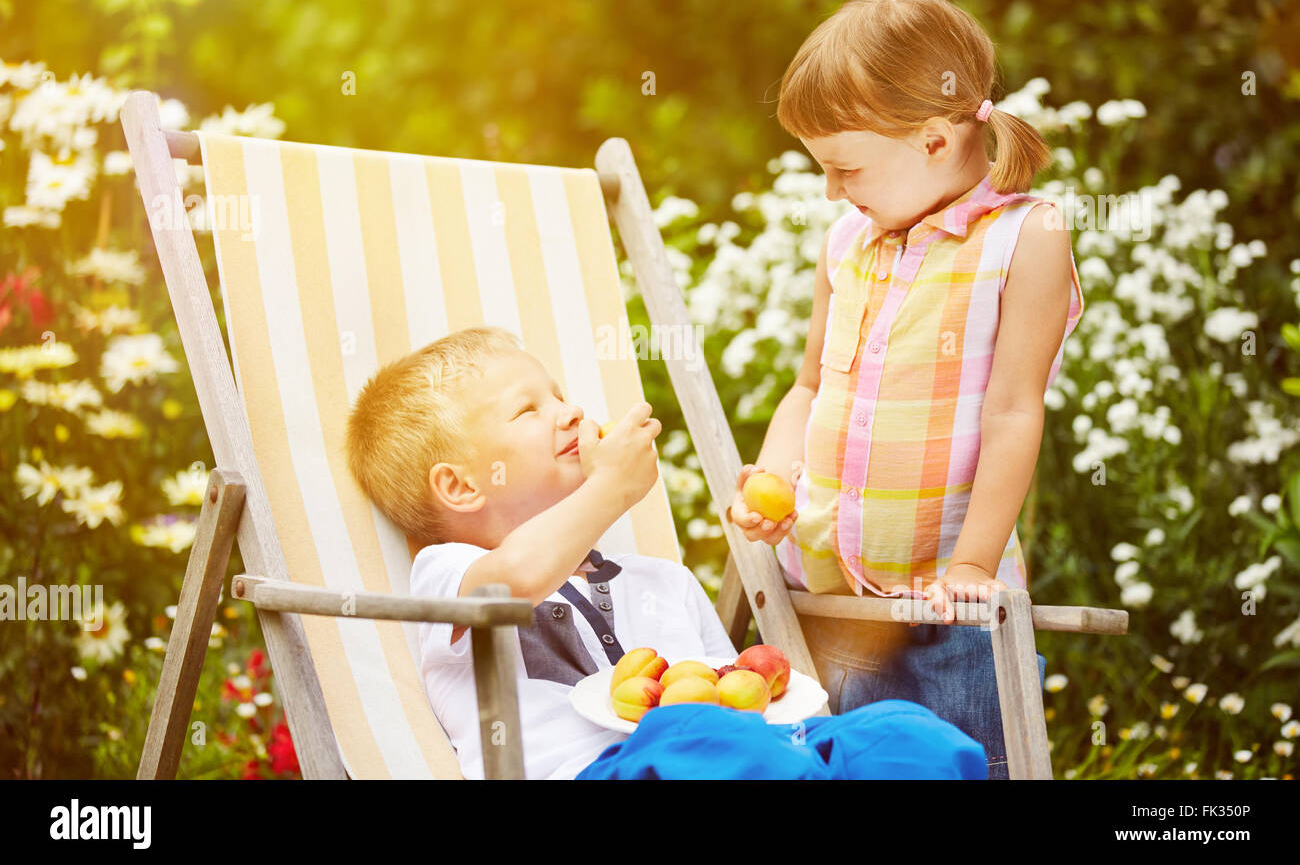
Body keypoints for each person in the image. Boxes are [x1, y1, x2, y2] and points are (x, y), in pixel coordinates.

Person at [344, 325, 988, 779]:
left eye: (563, 395)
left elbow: (730, 690)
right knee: (701, 740)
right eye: (528, 411)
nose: (570, 413)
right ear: (460, 487)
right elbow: (508, 585)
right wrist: (611, 489)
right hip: (595, 771)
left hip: (750, 751)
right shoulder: (447, 574)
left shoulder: (661, 579)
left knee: (903, 735)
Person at [728, 0, 1085, 779]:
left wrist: (973, 565)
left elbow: (1014, 412)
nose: (830, 190)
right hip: (829, 596)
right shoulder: (847, 241)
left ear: (930, 140)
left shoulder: (1026, 237)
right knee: (827, 766)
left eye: (842, 167)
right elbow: (809, 388)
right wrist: (773, 478)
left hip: (946, 612)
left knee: (961, 766)